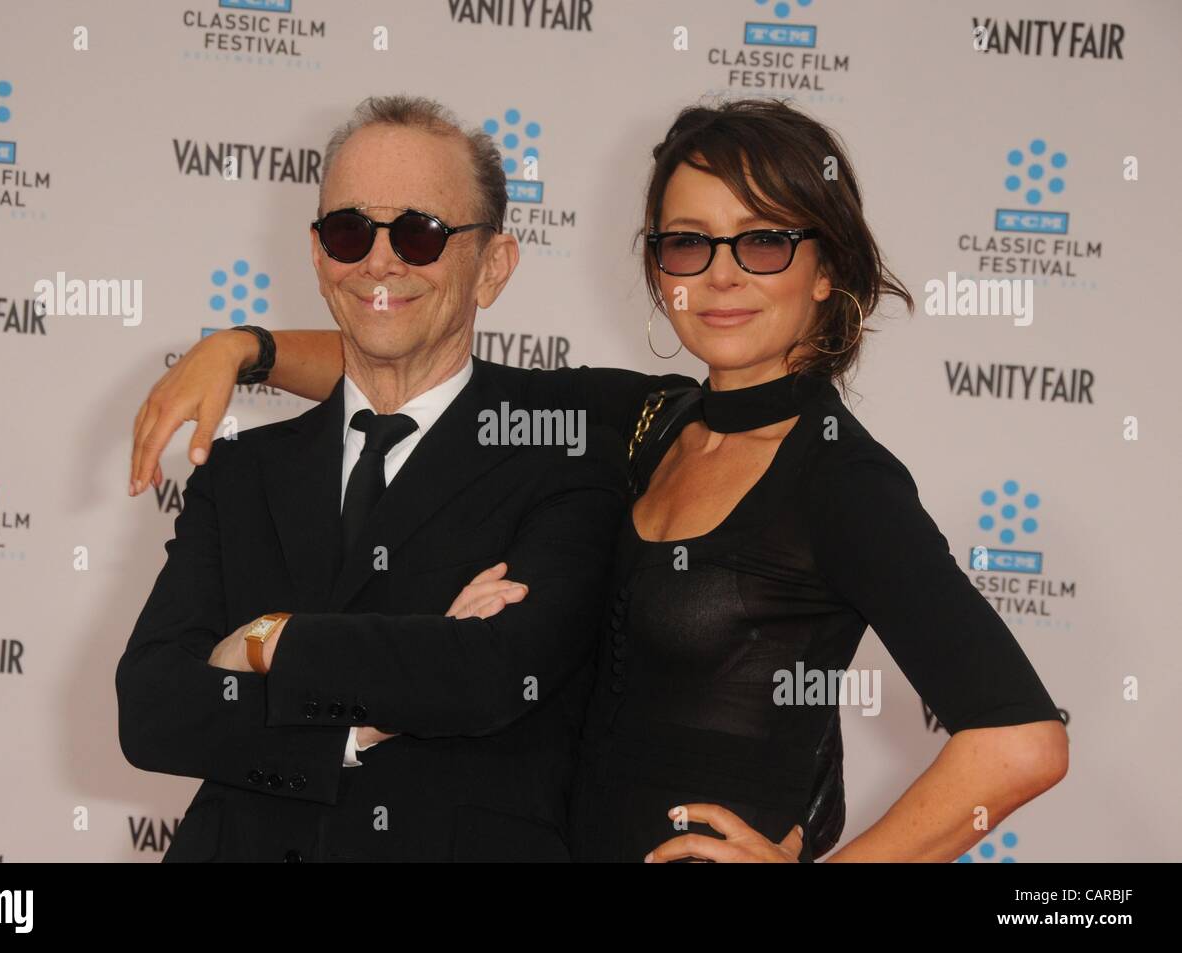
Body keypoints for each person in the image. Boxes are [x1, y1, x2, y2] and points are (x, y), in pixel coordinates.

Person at [129, 98, 1068, 862]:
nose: (724, 274)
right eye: (688, 243)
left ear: (826, 268)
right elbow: (411, 346)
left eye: (766, 242)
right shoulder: (652, 418)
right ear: (660, 269)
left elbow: (1020, 739)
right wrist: (240, 349)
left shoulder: (839, 477)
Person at [116, 94, 632, 862]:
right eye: (351, 231)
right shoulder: (242, 471)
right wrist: (363, 718)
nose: (380, 262)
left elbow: (490, 678)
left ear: (493, 266)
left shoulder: (565, 448)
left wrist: (264, 638)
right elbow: (153, 707)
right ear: (321, 256)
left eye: (420, 234)